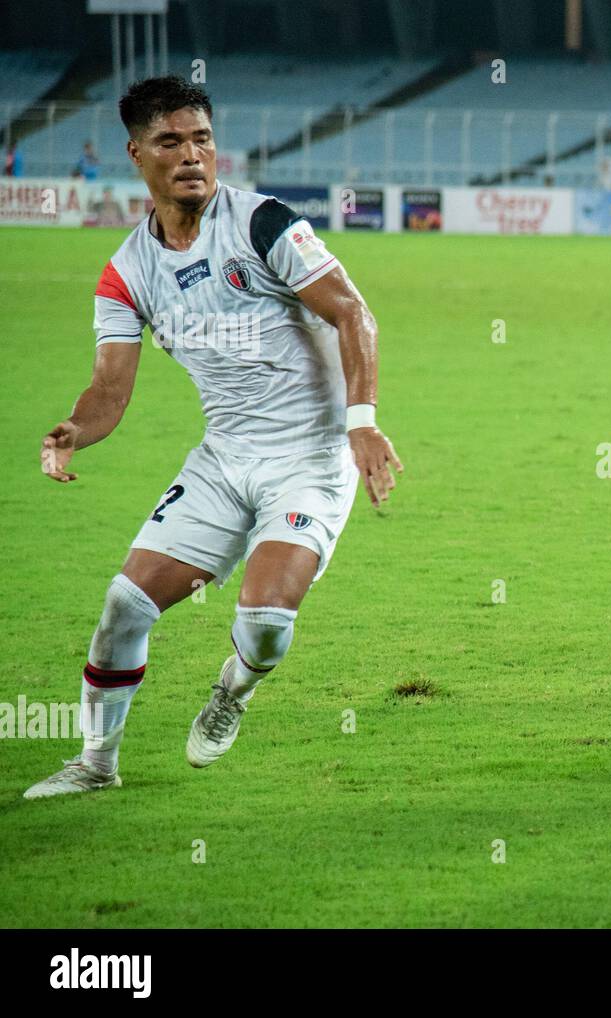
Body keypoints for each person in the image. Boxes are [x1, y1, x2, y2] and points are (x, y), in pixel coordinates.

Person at [24, 76, 403, 799]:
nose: (192, 154)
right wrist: (76, 429)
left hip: (310, 459)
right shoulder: (127, 272)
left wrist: (362, 423)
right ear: (138, 154)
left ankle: (232, 691)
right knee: (123, 608)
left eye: (202, 139)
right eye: (171, 141)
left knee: (261, 624)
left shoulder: (264, 224)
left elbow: (354, 314)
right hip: (224, 462)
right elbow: (109, 390)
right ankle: (96, 764)